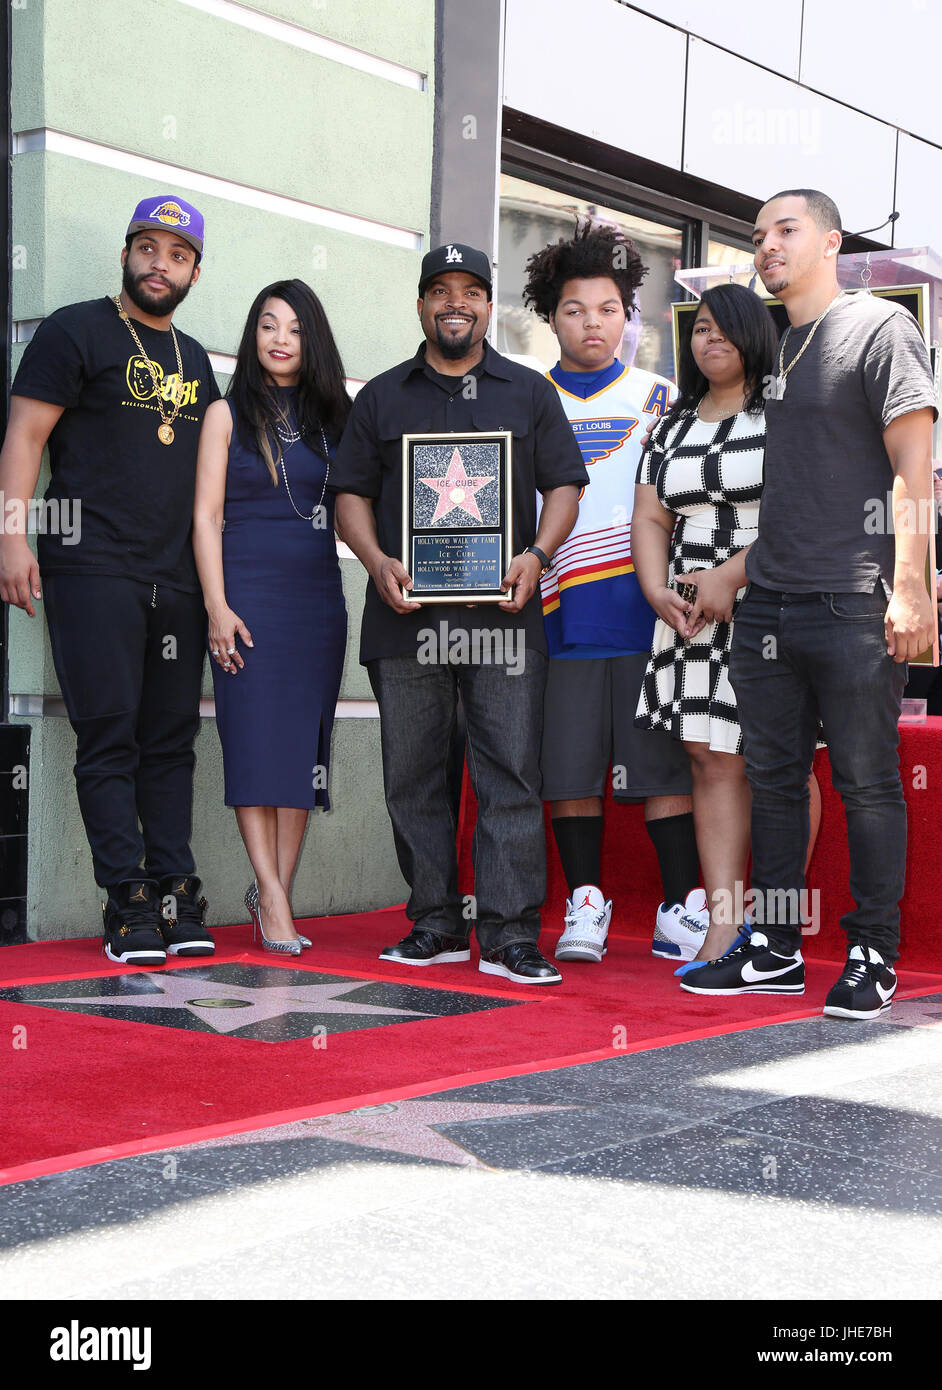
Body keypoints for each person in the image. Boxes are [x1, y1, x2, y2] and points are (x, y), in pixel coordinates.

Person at [681, 189, 937, 1018]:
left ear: (831, 241)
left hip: (854, 604)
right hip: (771, 606)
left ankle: (872, 953)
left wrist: (911, 587)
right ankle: (777, 951)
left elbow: (914, 472)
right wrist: (738, 571)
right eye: (758, 237)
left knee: (866, 784)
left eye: (785, 231)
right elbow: (801, 493)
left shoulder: (879, 329)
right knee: (776, 782)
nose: (767, 247)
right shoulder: (784, 346)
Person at [331, 242, 588, 984]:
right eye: (440, 290)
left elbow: (565, 485)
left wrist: (536, 555)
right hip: (404, 616)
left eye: (471, 291)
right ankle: (436, 922)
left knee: (510, 772)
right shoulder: (379, 396)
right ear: (420, 304)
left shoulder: (529, 392)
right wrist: (376, 561)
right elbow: (347, 492)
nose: (455, 303)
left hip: (504, 619)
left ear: (486, 304)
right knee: (413, 777)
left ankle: (510, 936)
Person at [0, 195, 218, 965]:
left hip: (177, 580)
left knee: (171, 741)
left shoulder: (197, 363)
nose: (162, 264)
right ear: (127, 254)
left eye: (178, 253)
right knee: (108, 736)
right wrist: (11, 535)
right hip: (91, 565)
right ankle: (124, 898)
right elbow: (25, 435)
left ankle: (174, 887)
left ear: (196, 269)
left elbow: (212, 489)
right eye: (149, 248)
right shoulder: (75, 330)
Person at [521, 219, 705, 966]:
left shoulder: (663, 398)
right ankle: (586, 901)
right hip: (557, 614)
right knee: (568, 769)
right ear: (551, 315)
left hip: (646, 614)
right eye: (574, 309)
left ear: (628, 314)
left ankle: (681, 906)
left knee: (661, 768)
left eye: (606, 308)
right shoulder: (522, 401)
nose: (591, 323)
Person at [633, 283, 821, 967]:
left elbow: (800, 513)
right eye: (701, 329)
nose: (710, 340)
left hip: (771, 597)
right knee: (710, 761)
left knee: (780, 765)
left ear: (754, 338)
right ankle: (720, 925)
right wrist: (657, 588)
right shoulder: (671, 424)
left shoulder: (785, 413)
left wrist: (729, 578)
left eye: (725, 329)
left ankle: (770, 929)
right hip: (687, 610)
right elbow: (651, 517)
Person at [192, 281, 349, 955]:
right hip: (246, 599)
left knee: (300, 759)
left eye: (293, 328)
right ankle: (277, 901)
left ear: (310, 340)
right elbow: (205, 516)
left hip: (317, 602)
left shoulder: (333, 420)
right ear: (254, 336)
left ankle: (271, 895)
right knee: (256, 749)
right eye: (267, 325)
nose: (279, 338)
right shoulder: (225, 415)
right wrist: (216, 606)